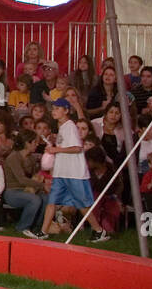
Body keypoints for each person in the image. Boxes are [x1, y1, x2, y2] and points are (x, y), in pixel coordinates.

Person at [41, 98, 110, 241]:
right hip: (62, 172)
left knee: (82, 204)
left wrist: (56, 149)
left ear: (66, 110)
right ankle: (43, 231)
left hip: (73, 173)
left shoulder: (70, 126)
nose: (54, 111)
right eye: (53, 109)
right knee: (52, 201)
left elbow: (77, 148)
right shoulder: (62, 127)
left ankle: (99, 230)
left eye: (57, 109)